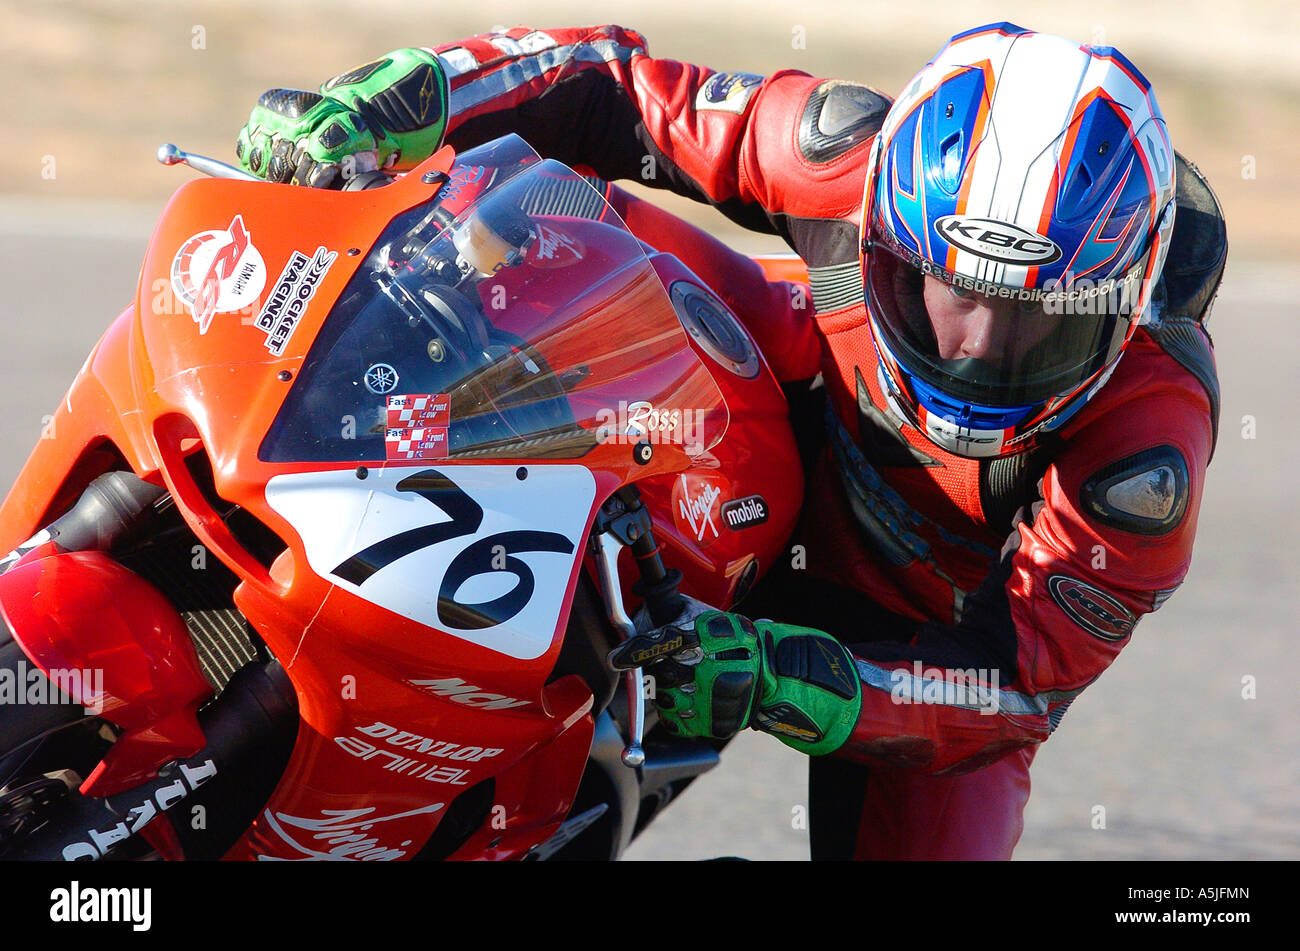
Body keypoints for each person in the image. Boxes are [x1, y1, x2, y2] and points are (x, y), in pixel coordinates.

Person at [235, 23, 1227, 859]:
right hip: (747, 407)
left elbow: (1015, 689)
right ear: (882, 227)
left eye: (1034, 328)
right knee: (520, 233)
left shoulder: (1146, 451)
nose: (972, 349)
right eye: (946, 294)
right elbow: (610, 87)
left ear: (1121, 307)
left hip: (906, 642)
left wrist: (782, 674)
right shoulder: (844, 151)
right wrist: (419, 93)